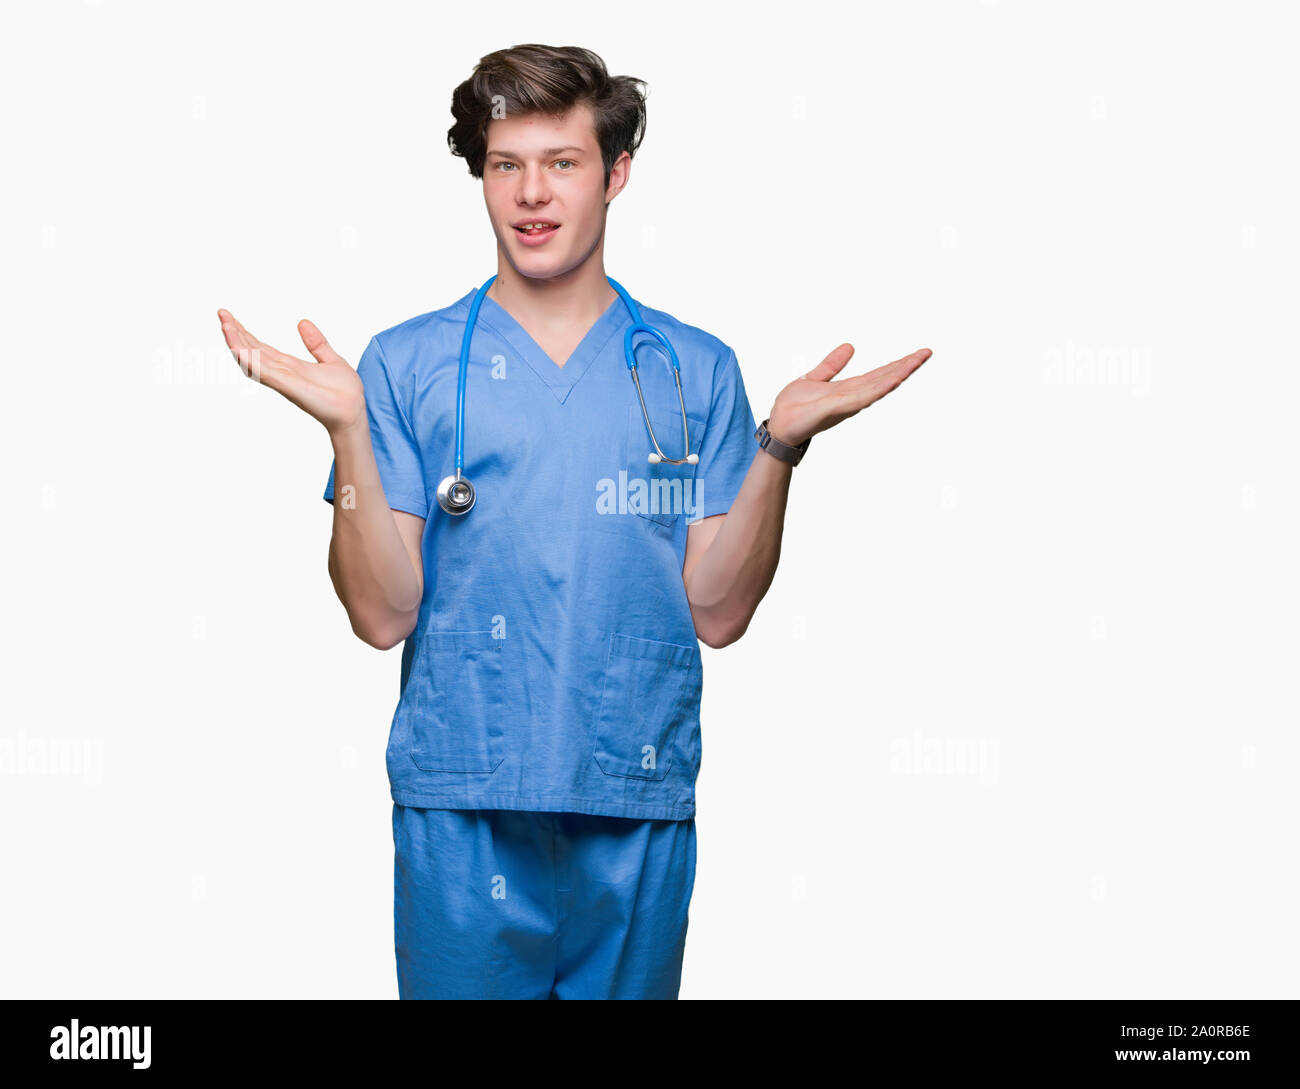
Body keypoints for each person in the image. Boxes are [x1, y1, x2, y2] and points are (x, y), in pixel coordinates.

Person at [217, 43, 931, 999]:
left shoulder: (687, 370)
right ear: (481, 177)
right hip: (462, 806)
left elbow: (716, 612)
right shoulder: (404, 366)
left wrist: (779, 450)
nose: (532, 194)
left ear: (616, 173)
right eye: (506, 165)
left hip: (628, 801)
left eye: (562, 162)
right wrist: (349, 432)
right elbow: (382, 614)